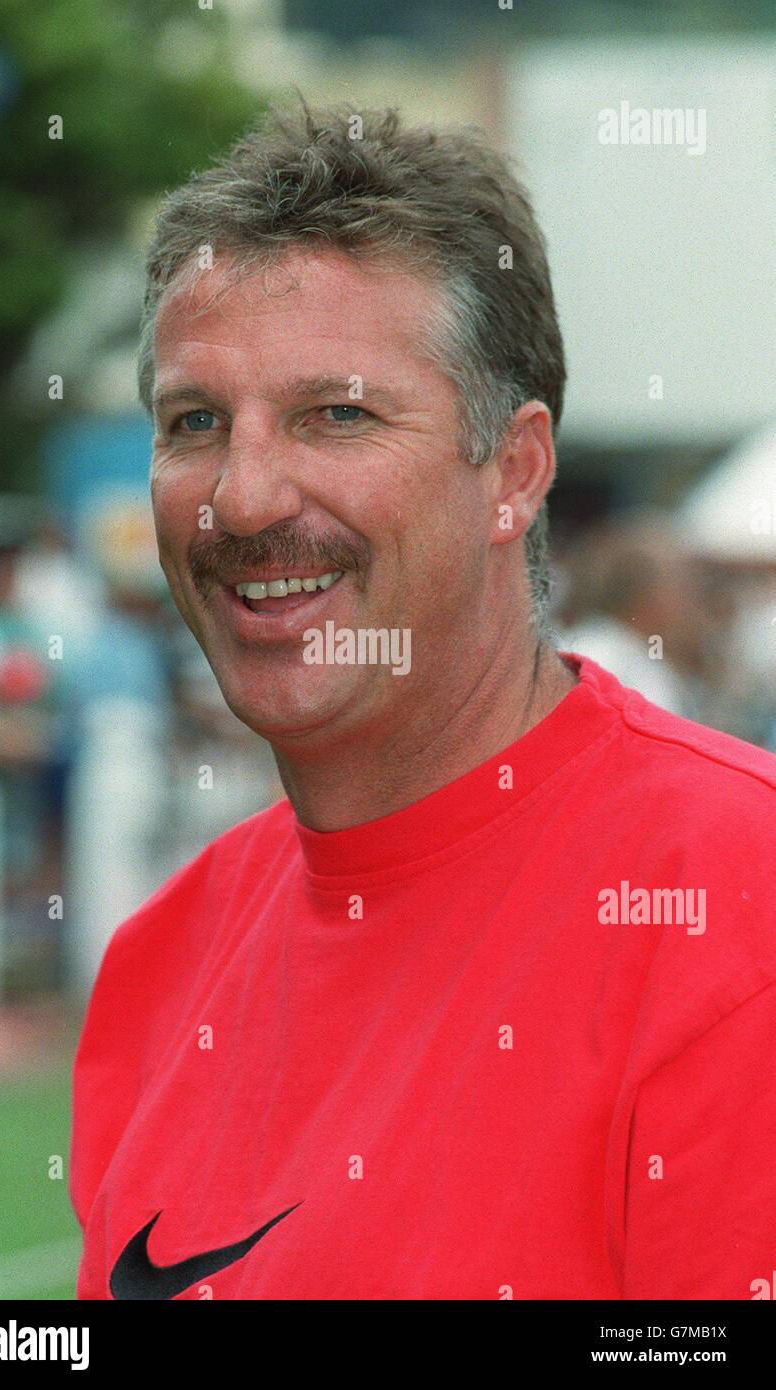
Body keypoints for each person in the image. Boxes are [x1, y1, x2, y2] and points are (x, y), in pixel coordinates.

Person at [69, 101, 775, 1301]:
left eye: (334, 414)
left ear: (513, 471)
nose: (242, 498)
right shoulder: (158, 959)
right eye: (196, 421)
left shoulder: (732, 909)